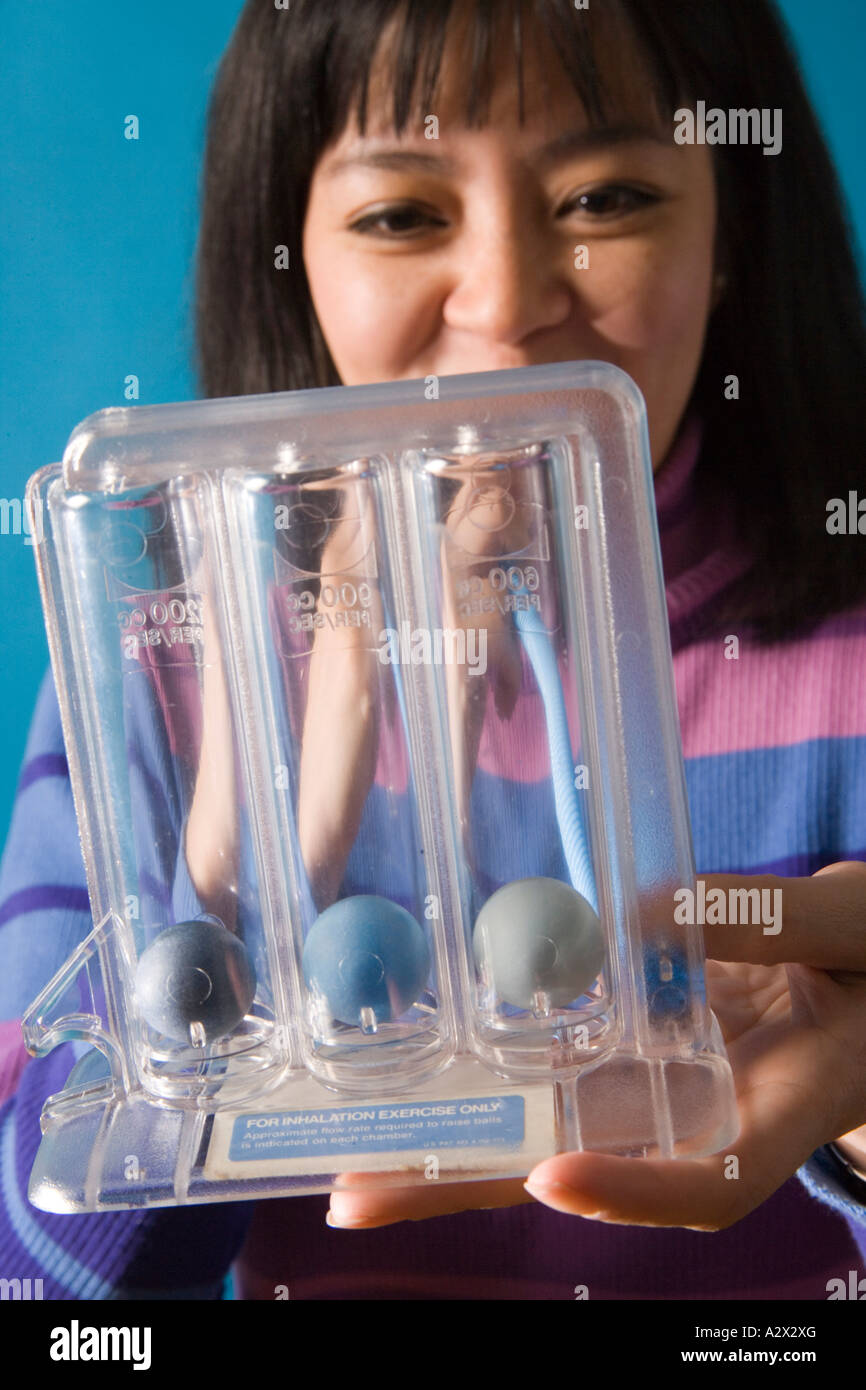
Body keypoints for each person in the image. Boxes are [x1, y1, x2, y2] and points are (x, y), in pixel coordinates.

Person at [2, 0, 866, 1300]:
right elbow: (52, 1301)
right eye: (401, 213)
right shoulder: (157, 676)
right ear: (284, 249)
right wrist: (242, 882)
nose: (507, 302)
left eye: (607, 194)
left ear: (731, 233)